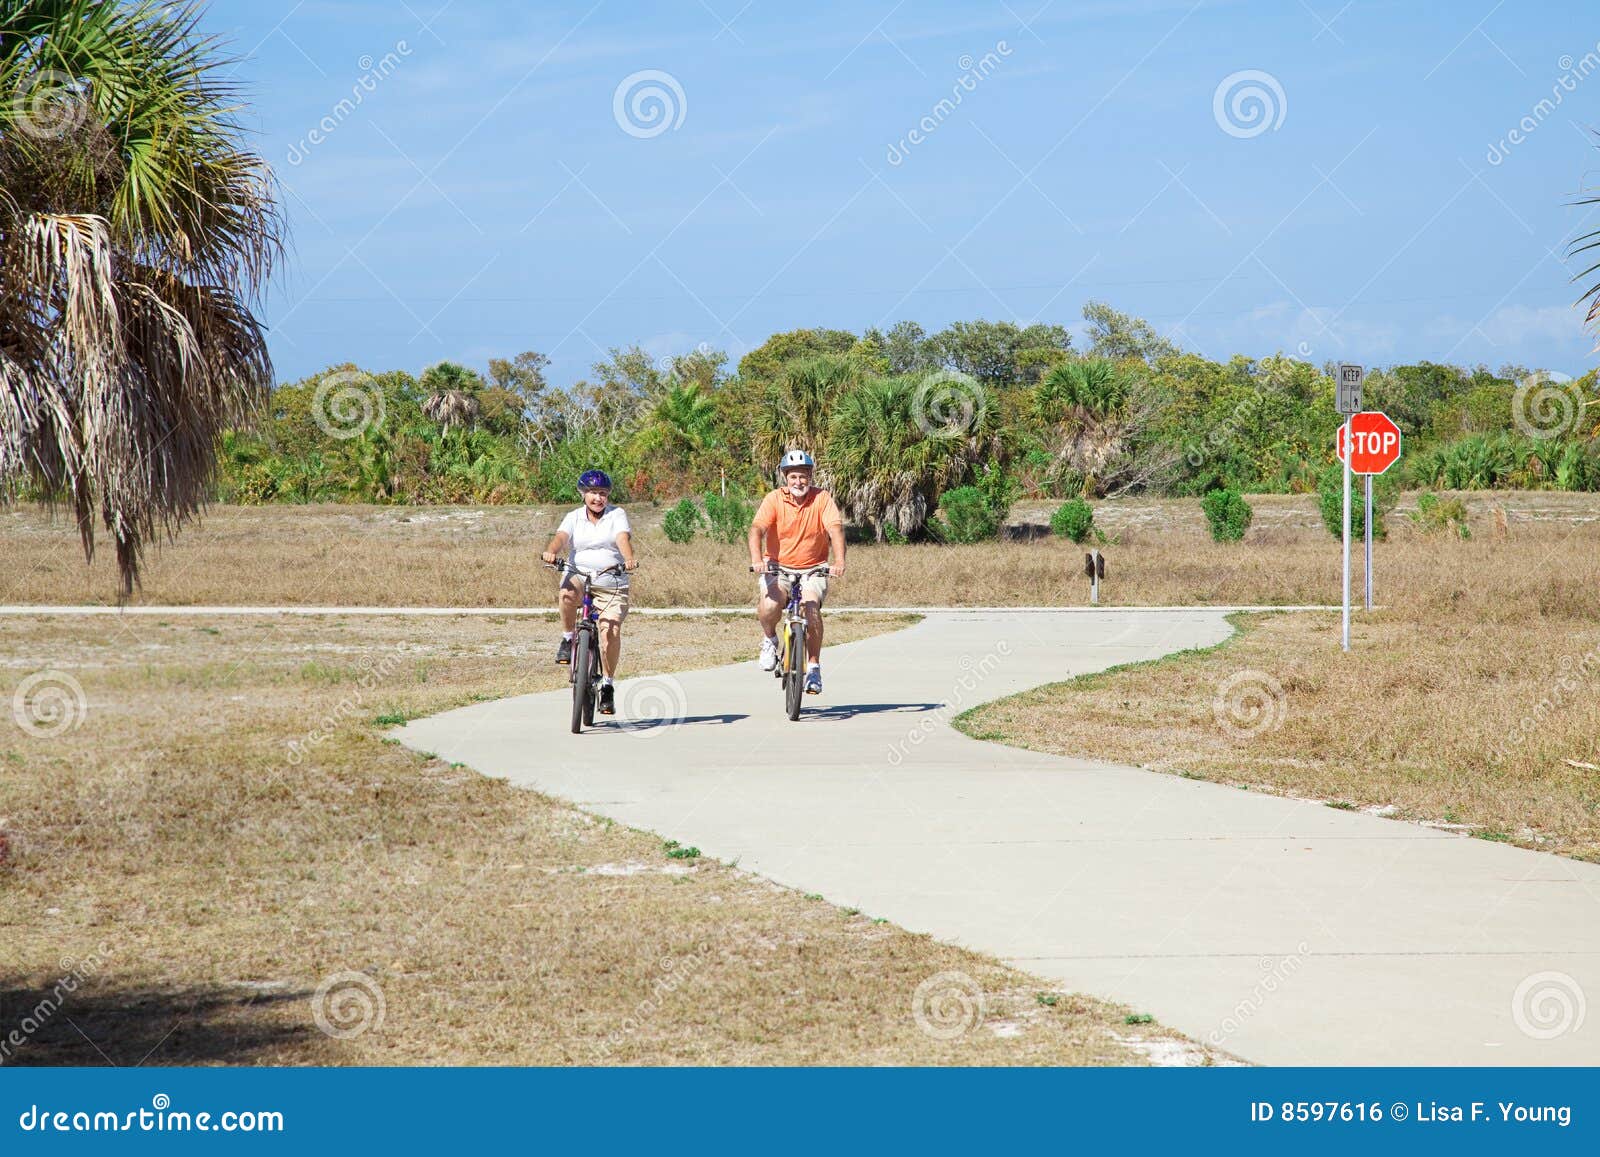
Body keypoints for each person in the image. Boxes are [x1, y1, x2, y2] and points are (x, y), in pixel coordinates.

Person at [748, 449, 846, 694]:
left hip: (814, 568)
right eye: (793, 477)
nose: (798, 482)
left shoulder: (822, 498)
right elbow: (756, 530)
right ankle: (770, 640)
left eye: (803, 476)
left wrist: (839, 561)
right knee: (770, 604)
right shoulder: (774, 499)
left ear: (810, 476)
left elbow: (835, 530)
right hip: (777, 567)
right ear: (785, 478)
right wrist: (757, 559)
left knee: (811, 610)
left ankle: (813, 668)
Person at [541, 469, 637, 715]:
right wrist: (551, 551)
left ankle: (607, 685)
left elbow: (622, 538)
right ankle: (567, 637)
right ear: (583, 494)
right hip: (579, 573)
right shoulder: (573, 517)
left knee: (610, 630)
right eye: (593, 493)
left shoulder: (617, 515)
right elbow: (561, 538)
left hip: (611, 579)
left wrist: (628, 558)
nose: (598, 498)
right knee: (566, 594)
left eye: (603, 493)